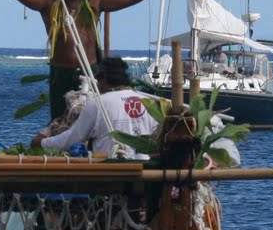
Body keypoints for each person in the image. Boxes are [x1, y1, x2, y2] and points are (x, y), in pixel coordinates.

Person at [0, 0, 173, 120]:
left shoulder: (95, 2)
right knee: (60, 120)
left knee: (93, 119)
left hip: (90, 72)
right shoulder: (50, 4)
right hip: (61, 74)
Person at [32, 56, 240, 164]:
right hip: (147, 174)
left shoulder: (97, 104)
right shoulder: (152, 103)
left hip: (112, 176)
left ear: (103, 80)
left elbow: (72, 139)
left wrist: (43, 142)